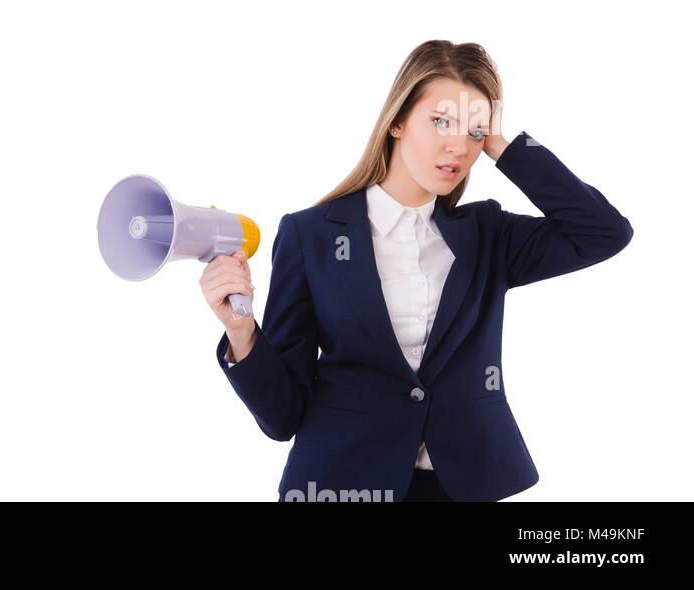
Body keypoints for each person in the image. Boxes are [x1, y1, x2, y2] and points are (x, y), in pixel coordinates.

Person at [199, 40, 632, 502]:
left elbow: (603, 232)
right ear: (398, 121)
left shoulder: (489, 234)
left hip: (464, 485)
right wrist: (242, 332)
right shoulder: (312, 235)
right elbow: (283, 417)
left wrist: (505, 148)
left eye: (475, 130)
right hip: (340, 484)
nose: (457, 145)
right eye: (441, 120)